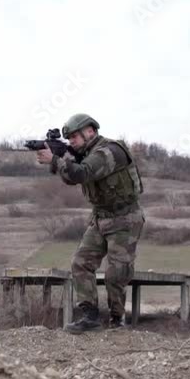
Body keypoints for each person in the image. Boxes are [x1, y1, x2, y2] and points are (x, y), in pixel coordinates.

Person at [35, 113, 145, 334]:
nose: (72, 141)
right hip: (100, 217)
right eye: (69, 138)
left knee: (116, 273)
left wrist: (56, 160)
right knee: (81, 262)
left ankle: (117, 320)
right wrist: (58, 158)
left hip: (124, 218)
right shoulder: (87, 153)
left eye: (74, 136)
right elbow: (71, 177)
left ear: (90, 131)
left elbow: (82, 173)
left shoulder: (109, 152)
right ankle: (90, 316)